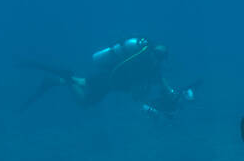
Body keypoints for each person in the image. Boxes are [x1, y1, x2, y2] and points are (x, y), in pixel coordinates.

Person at [20, 37, 198, 116]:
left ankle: (58, 80)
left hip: (109, 81)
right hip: (108, 82)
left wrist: (172, 94)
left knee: (85, 93)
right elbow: (141, 92)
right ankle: (63, 77)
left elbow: (162, 87)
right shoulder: (151, 69)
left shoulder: (148, 65)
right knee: (84, 100)